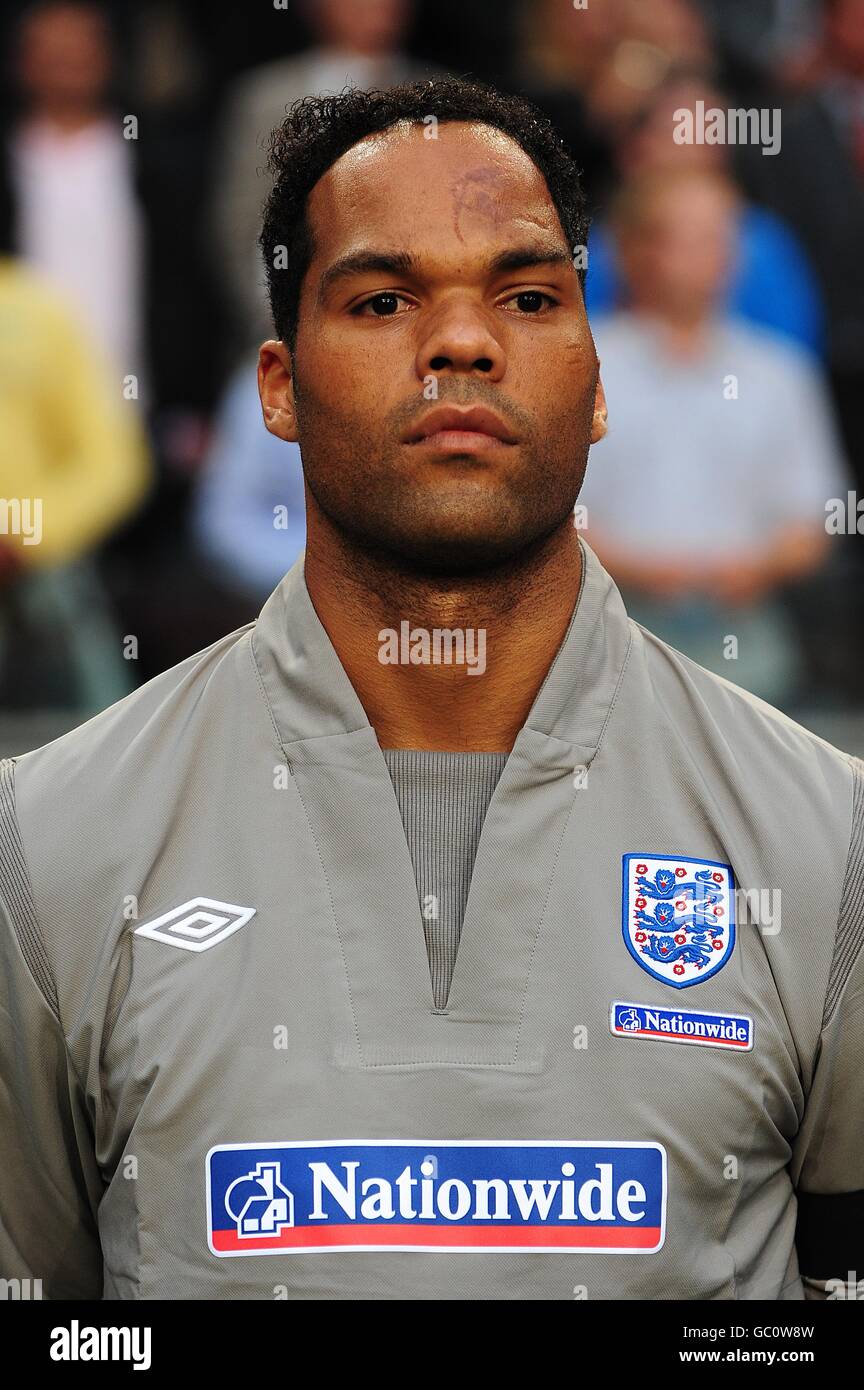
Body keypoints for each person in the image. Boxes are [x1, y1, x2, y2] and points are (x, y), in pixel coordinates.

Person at [0, 77, 861, 1301]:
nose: (463, 342)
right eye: (385, 297)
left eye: (525, 295)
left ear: (597, 377)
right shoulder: (49, 844)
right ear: (280, 386)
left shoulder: (829, 847)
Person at [580, 166, 846, 706]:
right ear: (636, 249)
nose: (719, 254)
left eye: (723, 235)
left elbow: (814, 518)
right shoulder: (583, 366)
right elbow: (553, 508)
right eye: (692, 237)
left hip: (747, 647)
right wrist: (643, 569)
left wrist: (757, 566)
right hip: (607, 638)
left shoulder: (781, 372)